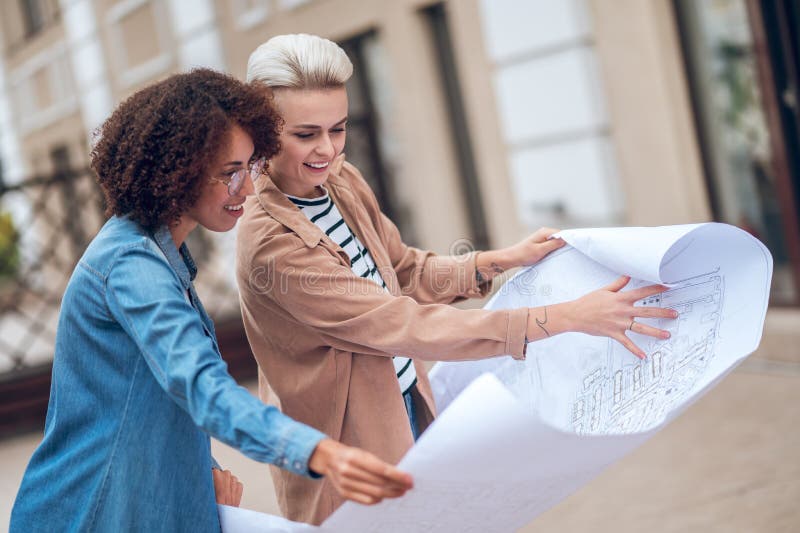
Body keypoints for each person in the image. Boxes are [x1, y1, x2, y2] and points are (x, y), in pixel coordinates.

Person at [237, 34, 677, 525]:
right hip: (348, 448)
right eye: (306, 135)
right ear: (262, 129)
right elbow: (404, 324)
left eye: (337, 129)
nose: (326, 149)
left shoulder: (340, 180)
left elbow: (402, 271)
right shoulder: (271, 242)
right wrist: (570, 317)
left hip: (409, 406)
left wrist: (499, 260)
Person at [10, 69, 412, 533]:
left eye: (249, 166)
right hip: (91, 511)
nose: (246, 187)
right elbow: (199, 383)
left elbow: (151, 392)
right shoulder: (130, 265)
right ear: (177, 172)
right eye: (229, 174)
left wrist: (205, 467)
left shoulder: (161, 254)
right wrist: (316, 451)